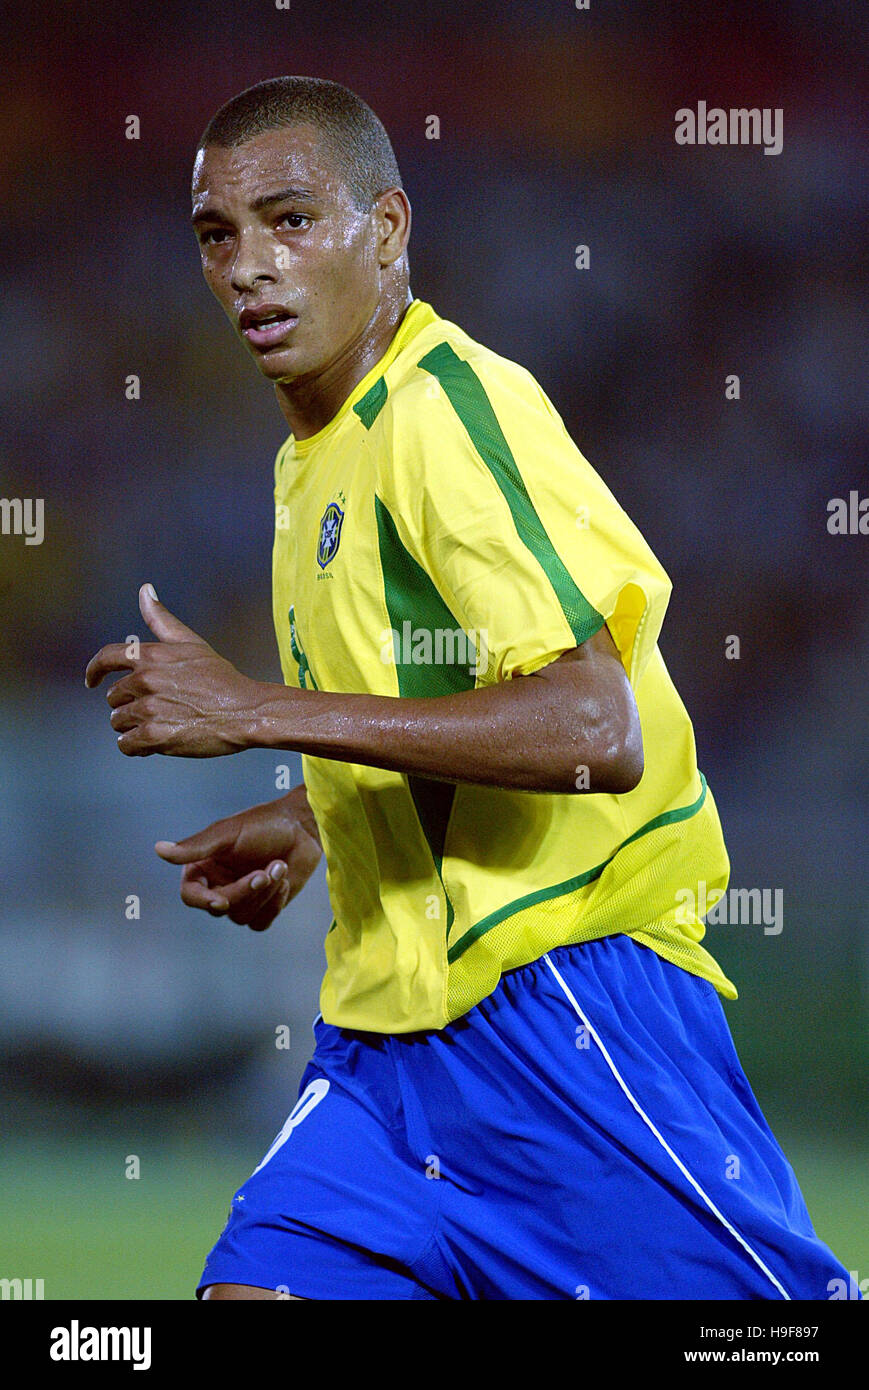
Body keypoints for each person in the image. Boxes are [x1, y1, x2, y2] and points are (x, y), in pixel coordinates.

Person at [85, 76, 851, 1300]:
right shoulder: (314, 457)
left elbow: (590, 724)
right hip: (381, 1050)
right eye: (217, 236)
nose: (248, 267)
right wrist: (320, 816)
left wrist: (253, 711)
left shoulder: (447, 409)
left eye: (290, 220)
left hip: (562, 1015)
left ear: (387, 229)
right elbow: (448, 707)